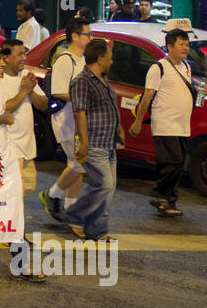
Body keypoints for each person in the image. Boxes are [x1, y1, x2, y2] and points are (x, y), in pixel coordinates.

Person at [0, 39, 50, 281]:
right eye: (19, 54)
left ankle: (5, 228)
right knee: (15, 205)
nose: (24, 58)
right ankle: (19, 257)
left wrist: (30, 90)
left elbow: (43, 104)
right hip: (10, 150)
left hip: (28, 148)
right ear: (5, 57)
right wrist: (23, 91)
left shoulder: (27, 77)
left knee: (25, 191)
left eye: (25, 54)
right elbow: (4, 109)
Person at [64, 38, 124, 240]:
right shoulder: (81, 81)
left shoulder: (102, 79)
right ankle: (74, 214)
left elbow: (109, 108)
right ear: (99, 59)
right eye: (109, 58)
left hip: (108, 143)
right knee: (105, 185)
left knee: (108, 188)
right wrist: (84, 142)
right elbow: (79, 113)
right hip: (94, 142)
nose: (112, 62)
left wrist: (119, 128)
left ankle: (97, 231)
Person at [130, 28, 193, 217]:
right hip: (165, 124)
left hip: (182, 125)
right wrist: (138, 121)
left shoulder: (186, 67)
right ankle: (160, 195)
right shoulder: (158, 68)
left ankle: (168, 200)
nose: (185, 48)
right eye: (181, 44)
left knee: (179, 162)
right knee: (172, 161)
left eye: (187, 45)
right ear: (170, 46)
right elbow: (147, 96)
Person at [40, 18, 93, 224]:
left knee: (76, 163)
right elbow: (59, 92)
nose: (91, 37)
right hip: (66, 121)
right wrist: (84, 97)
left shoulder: (83, 60)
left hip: (80, 120)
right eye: (88, 34)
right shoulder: (65, 60)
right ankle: (52, 194)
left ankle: (70, 208)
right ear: (75, 36)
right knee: (80, 163)